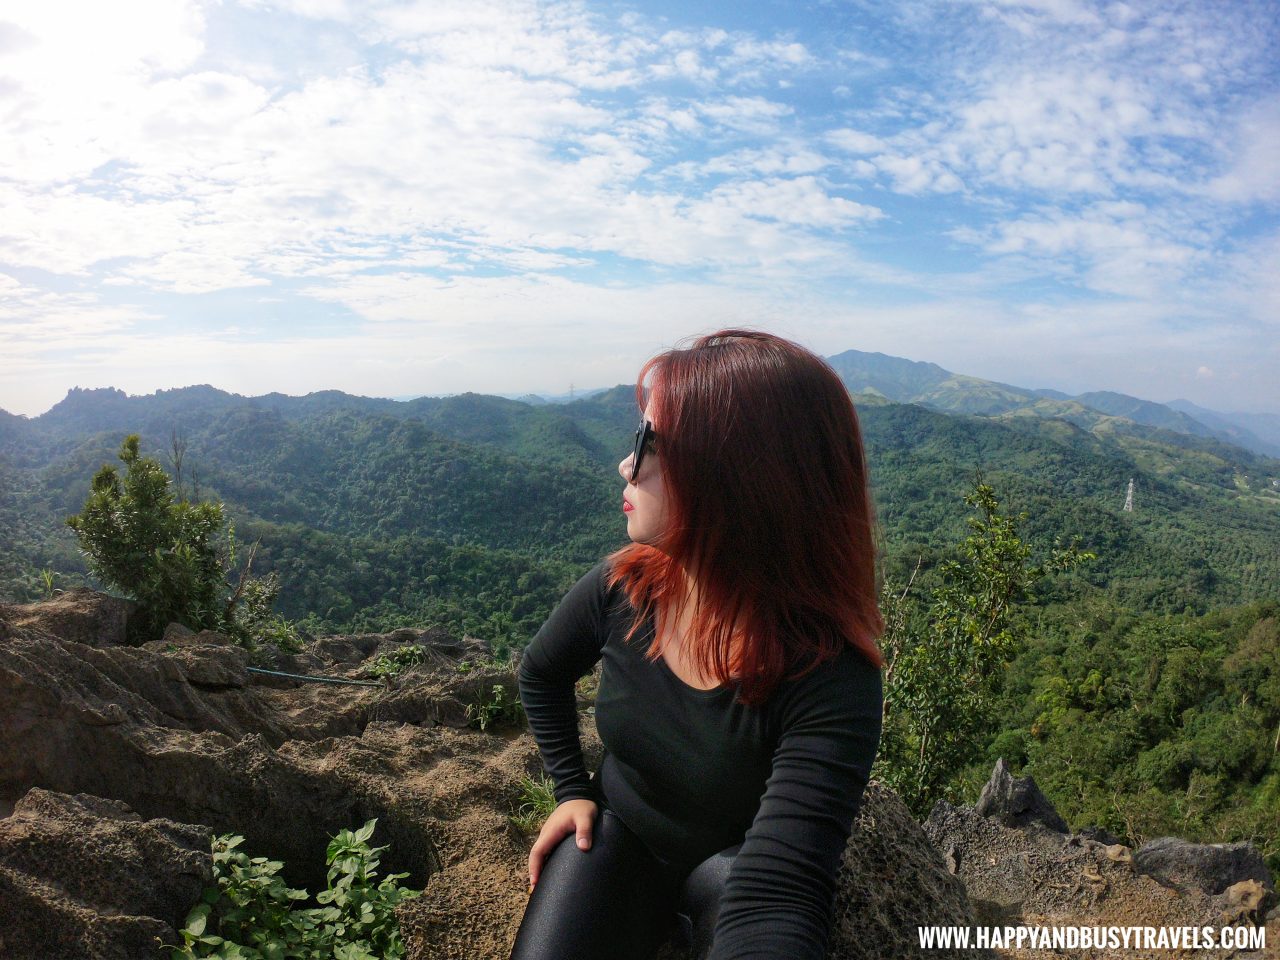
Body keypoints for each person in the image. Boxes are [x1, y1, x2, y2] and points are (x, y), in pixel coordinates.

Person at [511, 329, 884, 960]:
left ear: (737, 480)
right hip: (614, 841)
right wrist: (571, 790)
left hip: (729, 870)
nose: (627, 465)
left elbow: (778, 894)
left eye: (650, 445)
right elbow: (540, 673)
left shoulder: (828, 673)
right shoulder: (626, 585)